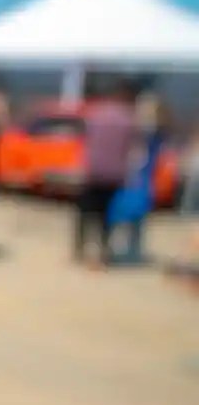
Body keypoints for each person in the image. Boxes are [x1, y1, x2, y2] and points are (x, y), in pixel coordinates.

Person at [76, 80, 138, 270]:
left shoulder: (96, 115)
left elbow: (87, 142)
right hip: (115, 174)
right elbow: (131, 150)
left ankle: (79, 250)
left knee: (85, 213)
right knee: (107, 217)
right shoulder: (129, 120)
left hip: (94, 171)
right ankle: (103, 253)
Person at [110, 91, 168, 263]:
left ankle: (129, 250)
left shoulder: (150, 134)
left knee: (130, 215)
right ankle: (127, 250)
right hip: (137, 178)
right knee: (128, 215)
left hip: (139, 178)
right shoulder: (145, 132)